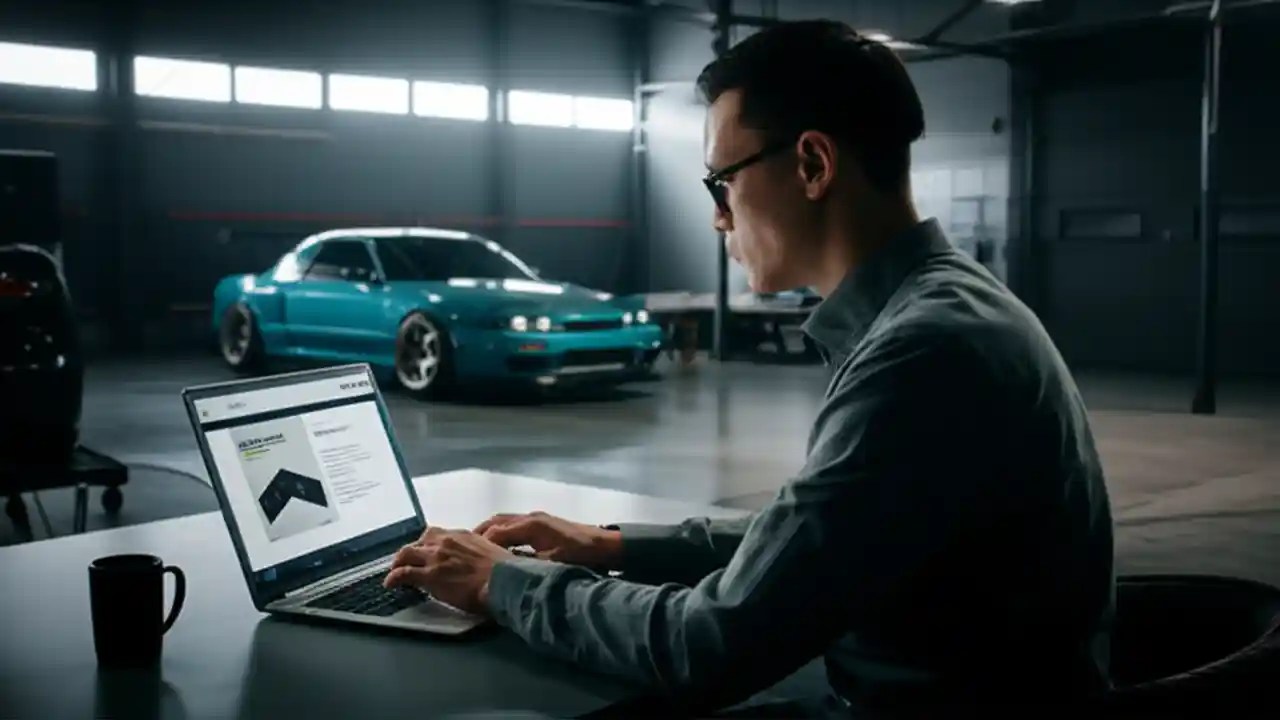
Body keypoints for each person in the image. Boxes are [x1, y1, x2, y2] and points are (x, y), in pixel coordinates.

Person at [385, 20, 1115, 717]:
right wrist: (612, 545)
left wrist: (500, 583)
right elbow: (821, 540)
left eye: (721, 182)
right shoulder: (948, 308)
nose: (718, 218)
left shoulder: (920, 353)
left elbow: (708, 643)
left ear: (812, 165)